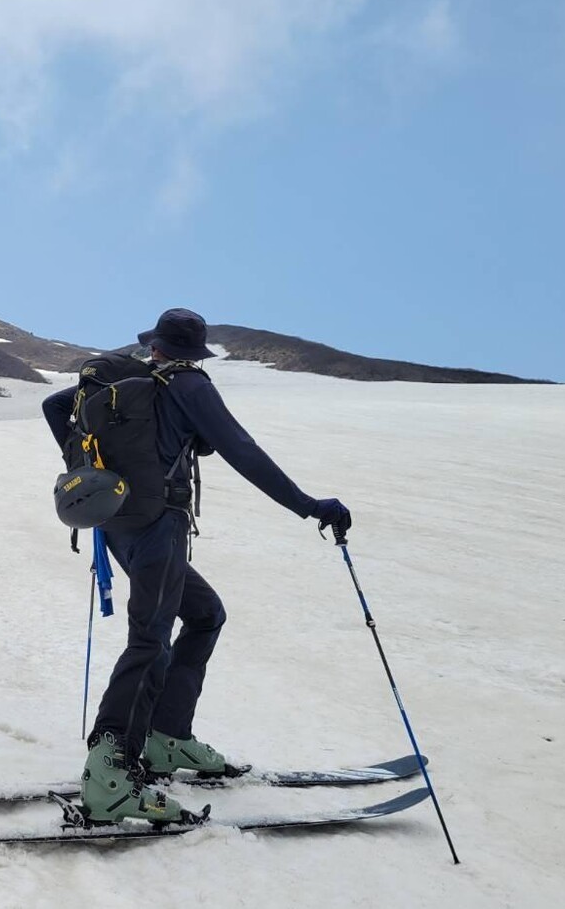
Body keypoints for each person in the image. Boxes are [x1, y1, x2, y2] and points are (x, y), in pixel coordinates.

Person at [42, 307, 351, 823]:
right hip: (159, 526)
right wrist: (309, 505)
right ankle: (110, 775)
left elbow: (55, 407)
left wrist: (97, 477)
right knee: (149, 641)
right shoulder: (188, 386)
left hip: (118, 524)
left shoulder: (123, 378)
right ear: (194, 350)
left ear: (156, 344)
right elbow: (242, 451)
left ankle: (166, 737)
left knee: (205, 613)